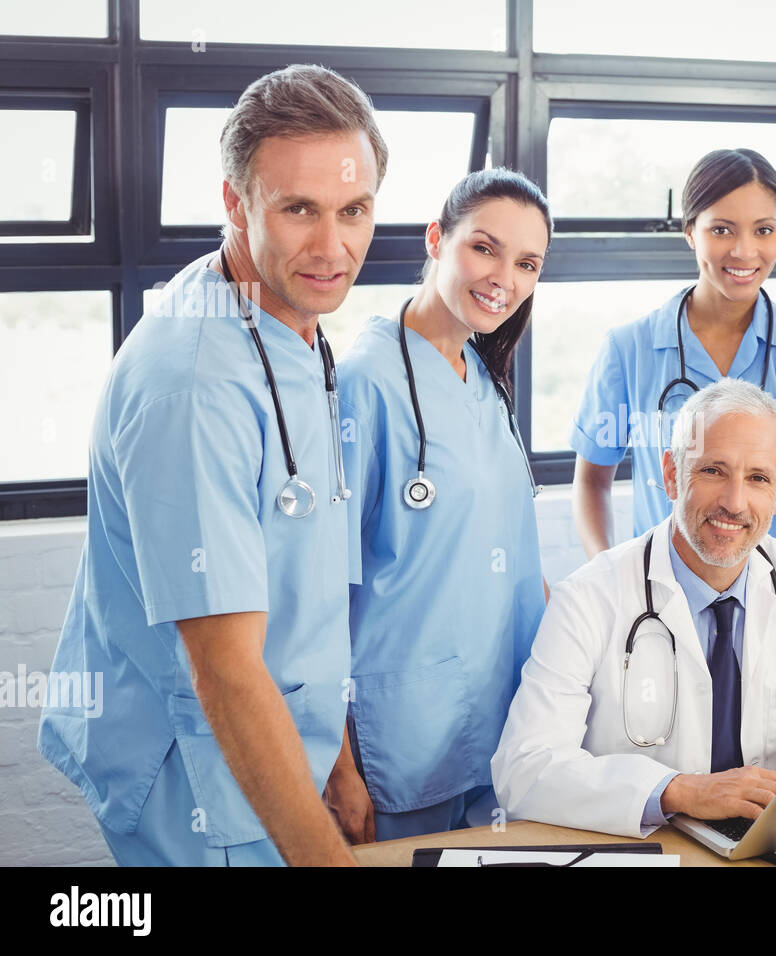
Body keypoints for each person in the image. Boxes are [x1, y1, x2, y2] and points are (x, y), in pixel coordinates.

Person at [37, 65, 387, 866]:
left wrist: (333, 760)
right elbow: (225, 672)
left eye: (354, 210)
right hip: (199, 781)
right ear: (235, 203)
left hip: (279, 745)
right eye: (298, 209)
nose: (333, 248)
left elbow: (300, 568)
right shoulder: (195, 387)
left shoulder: (292, 317)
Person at [492, 379, 776, 838]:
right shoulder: (587, 597)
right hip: (646, 848)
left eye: (758, 478)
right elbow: (523, 769)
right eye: (713, 471)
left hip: (772, 844)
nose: (734, 503)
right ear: (671, 474)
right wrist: (676, 791)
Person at [325, 169, 551, 843]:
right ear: (436, 239)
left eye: (527, 263)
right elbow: (316, 595)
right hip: (400, 743)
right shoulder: (365, 384)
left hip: (498, 729)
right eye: (484, 248)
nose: (503, 277)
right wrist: (337, 770)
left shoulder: (480, 374)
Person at [570, 148, 776, 584]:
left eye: (764, 230)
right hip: (664, 594)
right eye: (722, 229)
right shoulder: (628, 350)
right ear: (691, 232)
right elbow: (592, 482)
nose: (745, 251)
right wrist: (610, 572)